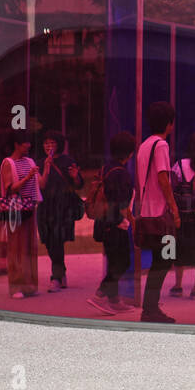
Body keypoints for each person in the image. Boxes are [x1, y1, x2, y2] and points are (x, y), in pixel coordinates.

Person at [135, 101, 181, 324]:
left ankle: (150, 308)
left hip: (147, 213)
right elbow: (164, 178)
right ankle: (150, 309)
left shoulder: (144, 146)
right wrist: (174, 207)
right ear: (169, 123)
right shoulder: (161, 145)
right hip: (161, 214)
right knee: (164, 260)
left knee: (159, 260)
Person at [88, 132, 136, 316]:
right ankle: (100, 294)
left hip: (103, 223)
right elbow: (119, 202)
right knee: (122, 262)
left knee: (114, 261)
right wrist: (122, 220)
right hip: (115, 224)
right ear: (129, 153)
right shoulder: (121, 174)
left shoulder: (106, 169)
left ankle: (115, 300)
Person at [35, 130, 85, 292]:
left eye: (52, 143)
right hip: (45, 207)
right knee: (49, 241)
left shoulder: (67, 161)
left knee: (57, 241)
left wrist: (75, 176)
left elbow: (78, 185)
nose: (49, 146)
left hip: (62, 207)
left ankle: (56, 277)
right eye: (46, 143)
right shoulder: (41, 162)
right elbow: (39, 186)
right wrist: (46, 168)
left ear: (59, 145)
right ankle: (61, 272)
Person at [0, 131, 42, 298]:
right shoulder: (8, 163)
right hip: (16, 210)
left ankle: (30, 285)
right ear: (17, 144)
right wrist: (29, 177)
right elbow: (11, 188)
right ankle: (16, 286)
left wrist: (45, 167)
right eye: (25, 142)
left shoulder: (30, 161)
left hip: (30, 208)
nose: (29, 145)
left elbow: (41, 184)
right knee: (16, 247)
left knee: (30, 245)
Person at [170, 131, 195, 299]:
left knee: (178, 250)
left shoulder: (178, 165)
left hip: (182, 217)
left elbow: (171, 190)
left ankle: (178, 286)